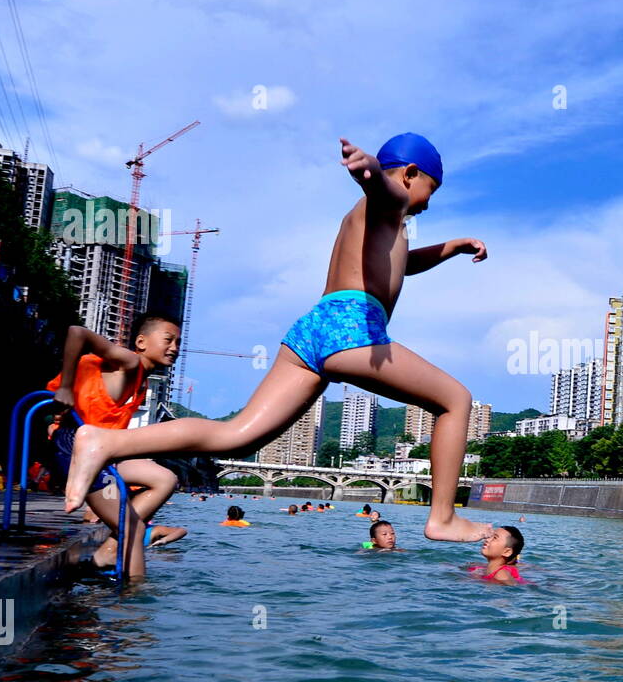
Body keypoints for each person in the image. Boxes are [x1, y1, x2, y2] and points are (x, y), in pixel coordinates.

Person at [60, 134, 492, 545]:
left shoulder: (381, 224)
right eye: (430, 190)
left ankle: (106, 441)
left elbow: (403, 264)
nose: (429, 203)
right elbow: (388, 190)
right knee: (455, 399)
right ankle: (443, 518)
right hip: (353, 327)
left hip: (312, 330)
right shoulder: (388, 201)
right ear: (411, 173)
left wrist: (450, 247)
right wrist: (371, 171)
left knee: (237, 435)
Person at [45, 312, 188, 577]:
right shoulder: (130, 362)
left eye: (179, 342)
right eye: (168, 340)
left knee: (165, 479)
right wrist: (65, 388)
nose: (175, 348)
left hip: (102, 454)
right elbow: (77, 332)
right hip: (75, 448)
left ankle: (109, 552)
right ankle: (132, 604)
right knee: (133, 530)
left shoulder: (141, 381)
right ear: (142, 342)